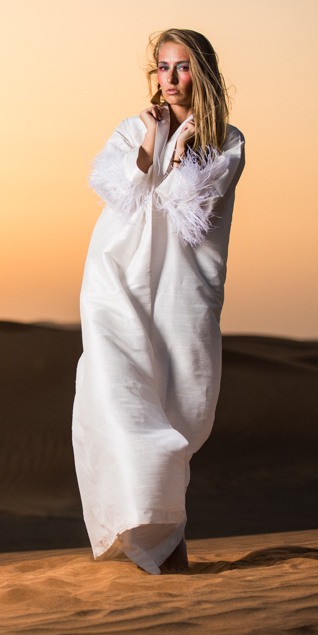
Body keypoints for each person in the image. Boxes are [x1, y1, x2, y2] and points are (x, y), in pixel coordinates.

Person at [72, 29, 246, 574]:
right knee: (119, 401)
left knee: (179, 416)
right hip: (115, 280)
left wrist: (179, 152)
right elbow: (117, 193)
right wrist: (150, 144)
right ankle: (144, 544)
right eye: (161, 68)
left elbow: (189, 213)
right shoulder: (133, 128)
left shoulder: (226, 141)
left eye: (183, 67)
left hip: (181, 291)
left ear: (205, 74)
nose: (169, 79)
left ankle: (162, 542)